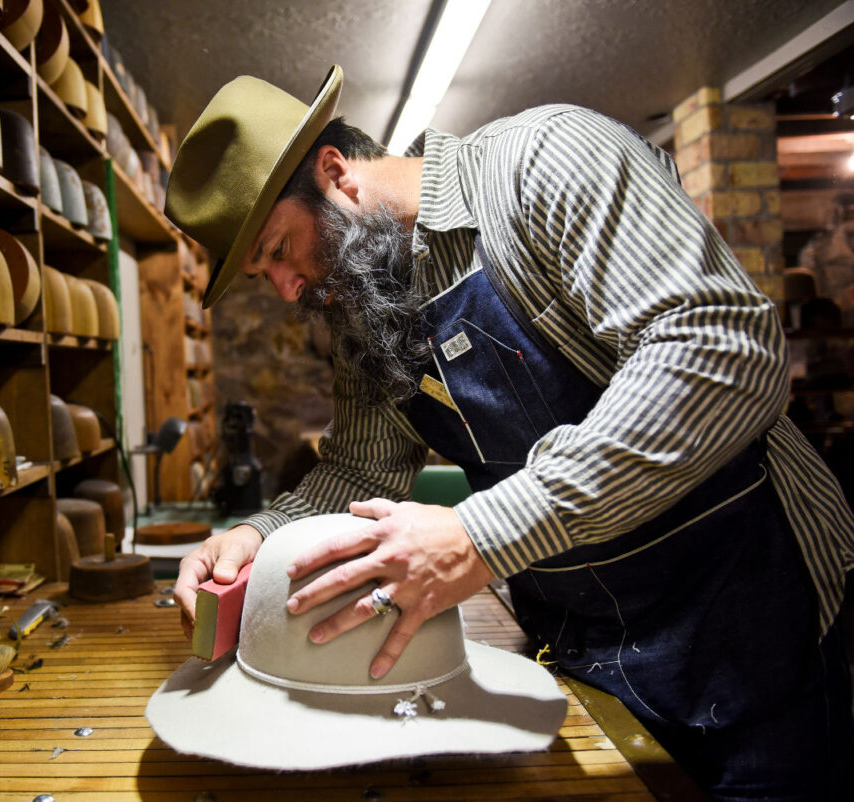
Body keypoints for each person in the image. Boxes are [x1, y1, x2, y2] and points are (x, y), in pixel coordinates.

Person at [165, 65, 854, 800]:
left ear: (335, 174)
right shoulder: (365, 308)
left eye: (278, 250)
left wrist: (481, 536)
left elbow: (719, 352)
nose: (287, 288)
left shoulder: (549, 163)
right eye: (261, 276)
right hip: (589, 647)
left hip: (754, 620)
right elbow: (362, 474)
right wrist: (258, 536)